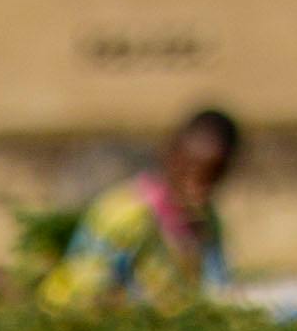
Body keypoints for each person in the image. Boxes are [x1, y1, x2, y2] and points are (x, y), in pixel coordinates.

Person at [38, 103, 241, 313]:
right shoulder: (125, 216)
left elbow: (216, 288)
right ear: (170, 154)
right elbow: (85, 293)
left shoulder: (206, 221)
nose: (196, 188)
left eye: (210, 178)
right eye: (188, 171)